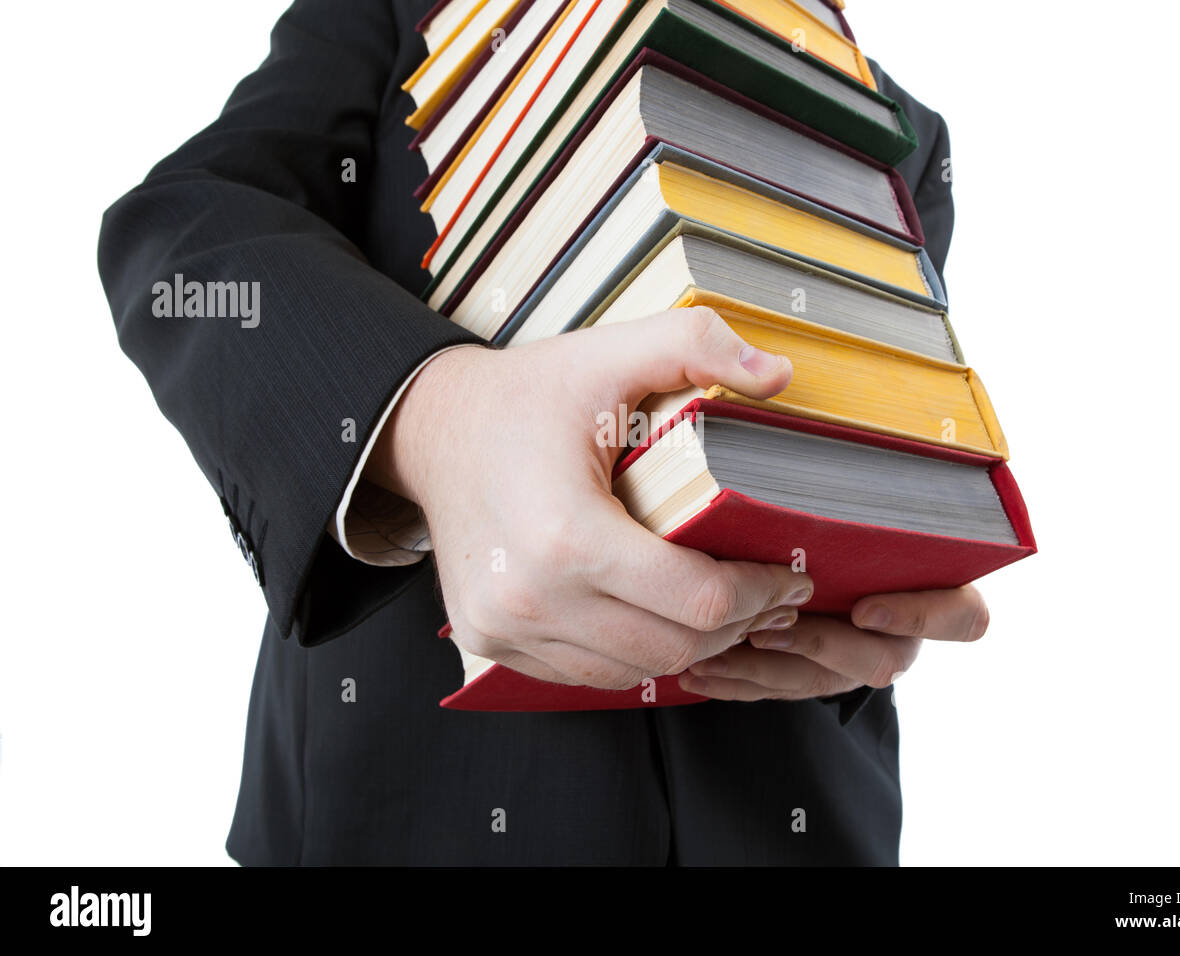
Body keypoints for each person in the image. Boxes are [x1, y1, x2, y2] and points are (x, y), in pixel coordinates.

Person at [98, 0, 988, 865]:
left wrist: (874, 586)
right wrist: (432, 413)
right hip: (403, 798)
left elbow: (850, 425)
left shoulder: (895, 127)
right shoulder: (400, 13)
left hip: (797, 812)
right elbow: (187, 227)